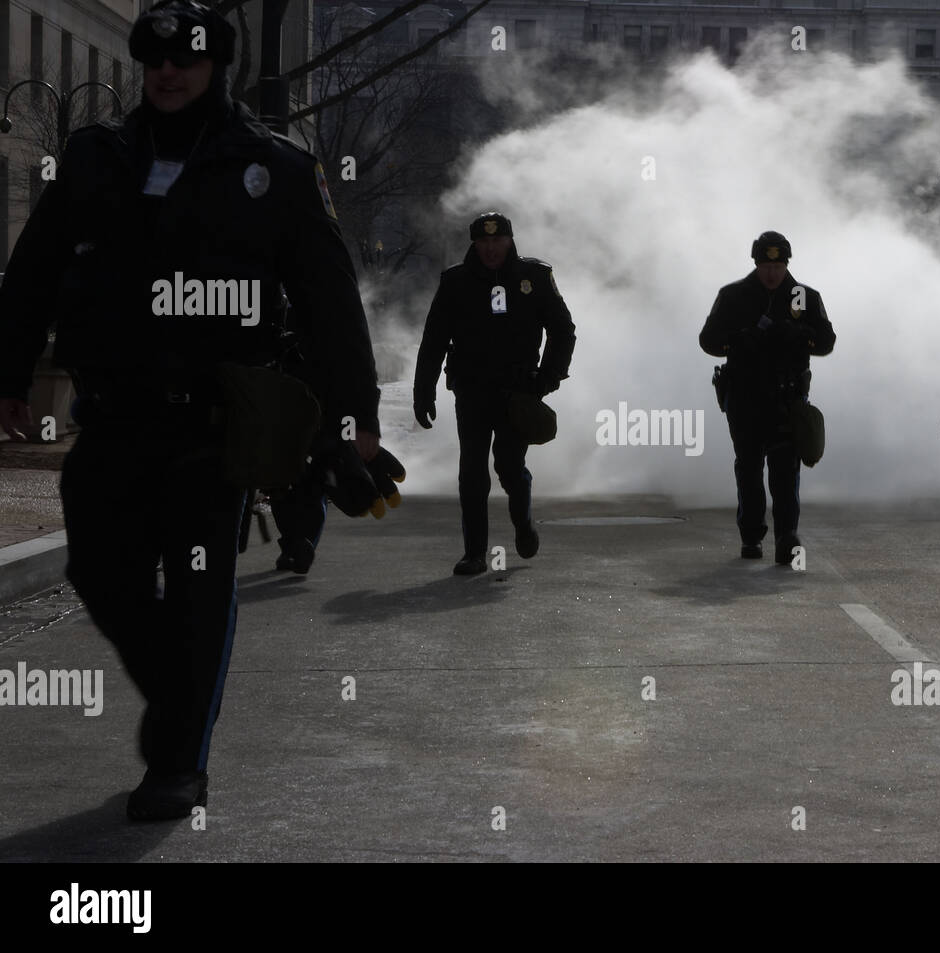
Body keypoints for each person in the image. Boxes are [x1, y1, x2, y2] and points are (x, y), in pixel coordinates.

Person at [0, 0, 388, 819]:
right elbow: (33, 272)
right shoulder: (97, 157)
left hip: (212, 423)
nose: (169, 73)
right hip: (111, 417)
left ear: (218, 69)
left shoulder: (272, 168)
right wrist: (8, 372)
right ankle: (177, 698)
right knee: (99, 569)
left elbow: (329, 300)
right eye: (156, 61)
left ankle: (178, 763)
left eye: (188, 60)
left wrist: (354, 416)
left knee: (200, 587)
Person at [413, 212, 576, 575]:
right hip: (472, 391)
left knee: (509, 466)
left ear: (509, 241)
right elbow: (434, 340)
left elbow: (563, 331)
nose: (490, 248)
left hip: (518, 392)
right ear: (474, 243)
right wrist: (423, 391)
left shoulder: (534, 277)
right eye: (483, 242)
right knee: (471, 469)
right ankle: (474, 553)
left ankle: (523, 524)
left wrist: (547, 377)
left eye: (497, 240)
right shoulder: (455, 282)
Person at [699, 231, 835, 564]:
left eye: (777, 264)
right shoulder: (734, 296)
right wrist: (738, 340)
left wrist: (800, 335)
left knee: (785, 471)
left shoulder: (802, 296)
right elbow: (708, 340)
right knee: (748, 468)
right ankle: (751, 535)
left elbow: (826, 341)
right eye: (765, 264)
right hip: (745, 398)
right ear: (756, 263)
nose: (771, 272)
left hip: (787, 400)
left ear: (786, 263)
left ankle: (787, 537)